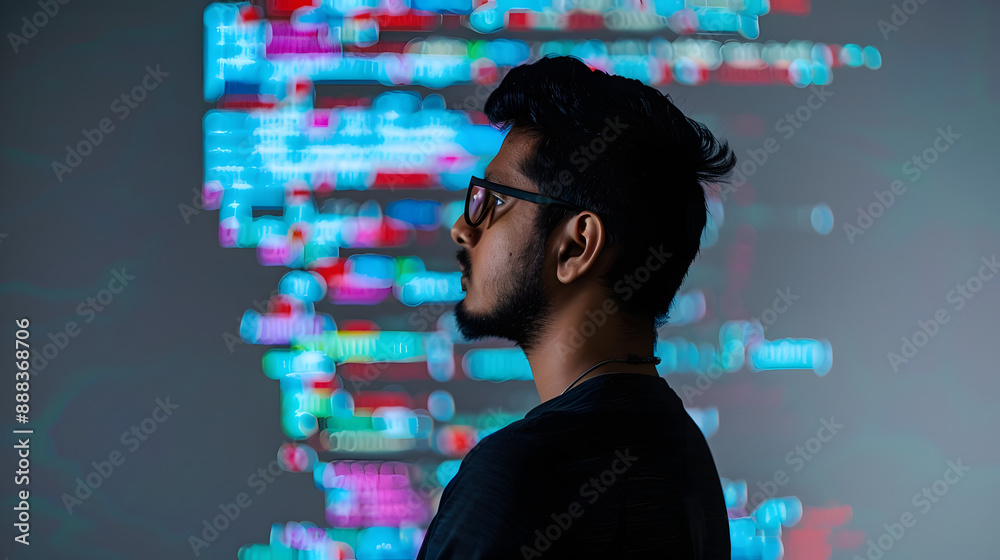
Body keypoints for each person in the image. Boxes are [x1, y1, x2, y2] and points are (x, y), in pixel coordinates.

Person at [415, 54, 737, 559]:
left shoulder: (515, 475)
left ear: (576, 245)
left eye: (492, 200)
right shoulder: (684, 453)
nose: (463, 228)